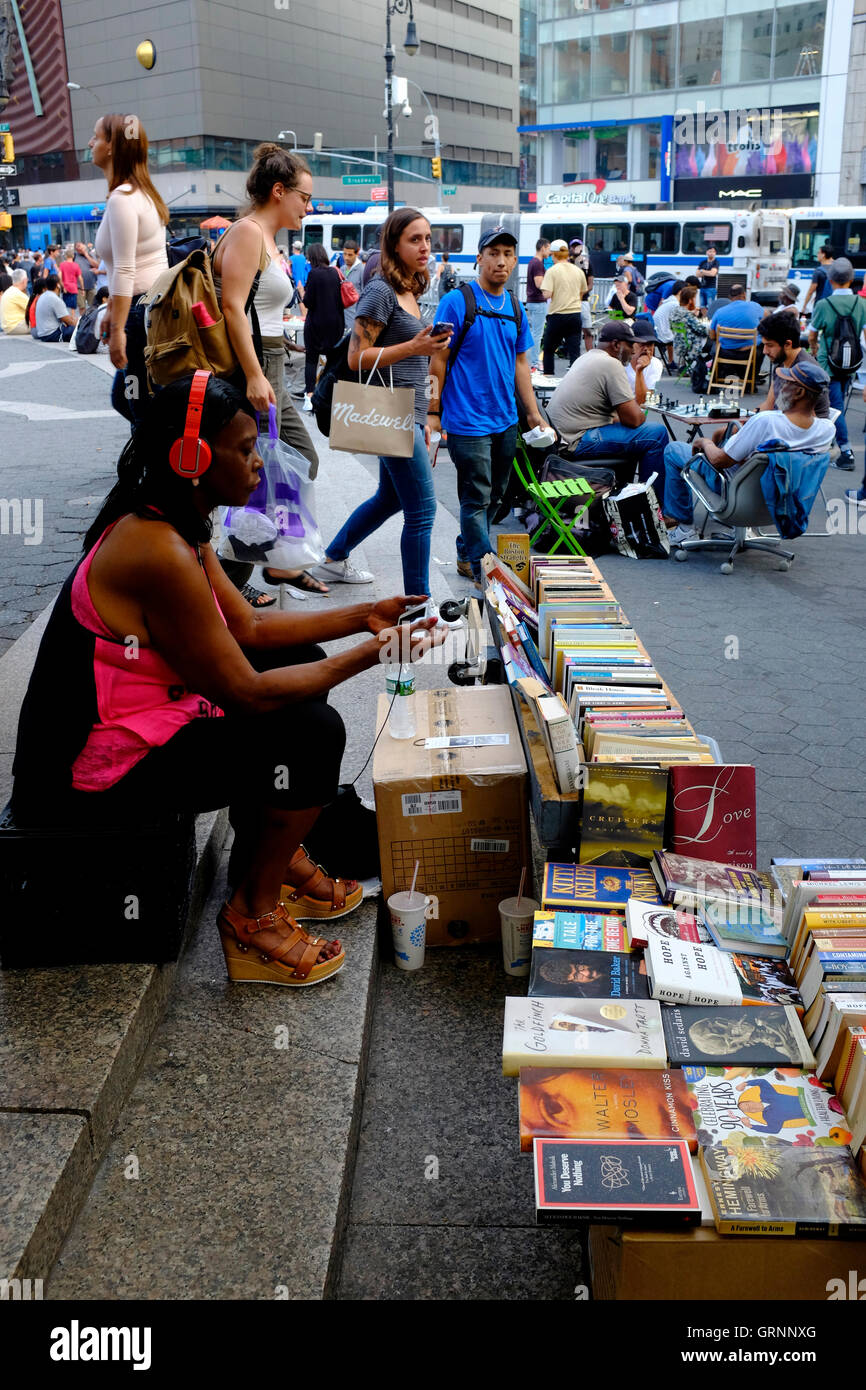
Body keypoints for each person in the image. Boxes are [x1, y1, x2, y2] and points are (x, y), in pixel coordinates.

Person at [10, 374, 447, 987]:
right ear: (190, 457)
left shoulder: (177, 518)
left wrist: (362, 617)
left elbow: (249, 629)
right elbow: (244, 692)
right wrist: (378, 652)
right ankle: (252, 913)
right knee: (312, 732)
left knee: (302, 668)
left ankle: (271, 853)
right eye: (244, 449)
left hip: (134, 733)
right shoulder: (156, 548)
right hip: (91, 777)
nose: (257, 464)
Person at [211, 142, 329, 604]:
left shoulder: (265, 238)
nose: (308, 206)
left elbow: (260, 308)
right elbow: (232, 309)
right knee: (255, 475)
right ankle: (230, 585)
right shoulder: (248, 233)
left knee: (285, 467)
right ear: (278, 191)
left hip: (271, 360)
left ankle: (266, 566)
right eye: (304, 196)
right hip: (254, 369)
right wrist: (256, 376)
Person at [320, 207, 453, 604]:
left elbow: (419, 360)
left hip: (408, 410)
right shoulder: (380, 291)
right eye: (415, 239)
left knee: (391, 498)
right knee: (423, 511)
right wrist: (415, 345)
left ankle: (334, 556)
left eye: (428, 238)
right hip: (388, 410)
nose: (425, 246)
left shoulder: (410, 289)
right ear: (394, 243)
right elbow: (357, 358)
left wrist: (430, 410)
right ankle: (418, 603)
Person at [429, 226, 543, 587]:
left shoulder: (514, 306)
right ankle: (483, 568)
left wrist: (533, 414)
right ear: (479, 258)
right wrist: (433, 413)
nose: (501, 261)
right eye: (493, 253)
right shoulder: (457, 302)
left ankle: (466, 551)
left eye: (508, 254)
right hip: (466, 422)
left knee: (498, 495)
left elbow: (521, 364)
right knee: (476, 496)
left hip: (505, 420)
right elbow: (438, 361)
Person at [662, 358, 835, 544]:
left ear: (800, 392)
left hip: (731, 488)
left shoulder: (766, 422)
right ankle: (744, 531)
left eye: (786, 382)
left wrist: (705, 443)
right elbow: (806, 424)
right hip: (777, 499)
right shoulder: (826, 430)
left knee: (673, 450)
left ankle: (685, 528)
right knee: (730, 439)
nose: (779, 386)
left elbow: (720, 461)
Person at [91, 113, 170, 427]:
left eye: (96, 137)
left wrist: (120, 331)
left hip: (139, 314)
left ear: (112, 147)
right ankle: (154, 462)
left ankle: (157, 469)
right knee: (127, 398)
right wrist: (112, 310)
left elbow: (125, 268)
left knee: (140, 407)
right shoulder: (140, 193)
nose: (91, 143)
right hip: (145, 310)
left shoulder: (123, 199)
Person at [546, 319, 668, 484]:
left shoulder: (587, 357)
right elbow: (635, 419)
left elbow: (617, 416)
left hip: (561, 436)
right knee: (656, 434)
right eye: (630, 345)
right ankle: (650, 503)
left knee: (635, 436)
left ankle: (624, 494)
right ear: (616, 345)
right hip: (575, 439)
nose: (633, 351)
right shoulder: (611, 364)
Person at [808, 256, 866, 471]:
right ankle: (831, 442)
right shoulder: (862, 304)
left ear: (830, 280)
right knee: (838, 402)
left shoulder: (824, 304)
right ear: (851, 280)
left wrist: (814, 350)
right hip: (851, 363)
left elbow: (812, 335)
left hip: (828, 363)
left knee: (834, 407)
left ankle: (846, 452)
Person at [757, 312, 830, 416]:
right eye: (764, 345)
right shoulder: (781, 362)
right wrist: (748, 417)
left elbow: (792, 417)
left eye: (770, 345)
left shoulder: (804, 372)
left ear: (787, 344)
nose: (765, 351)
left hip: (801, 428)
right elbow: (769, 404)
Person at [300, 242, 344, 414]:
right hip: (335, 323)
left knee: (311, 359)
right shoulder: (334, 272)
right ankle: (330, 394)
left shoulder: (314, 274)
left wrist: (302, 292)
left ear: (312, 257)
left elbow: (308, 302)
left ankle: (310, 395)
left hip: (316, 323)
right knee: (332, 360)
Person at [540, 238, 587, 374]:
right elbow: (582, 291)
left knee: (549, 349)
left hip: (557, 315)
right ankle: (575, 380)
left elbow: (547, 294)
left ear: (554, 254)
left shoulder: (552, 271)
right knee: (574, 350)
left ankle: (548, 377)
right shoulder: (577, 270)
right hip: (575, 315)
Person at [707, 283, 764, 381]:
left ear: (729, 297)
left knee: (718, 344)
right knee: (762, 344)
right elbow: (764, 320)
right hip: (748, 353)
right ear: (744, 295)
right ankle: (751, 379)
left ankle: (724, 375)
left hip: (725, 353)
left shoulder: (720, 311)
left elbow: (712, 336)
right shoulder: (755, 307)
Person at [669, 286, 709, 373]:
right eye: (694, 298)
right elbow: (703, 331)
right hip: (691, 347)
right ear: (690, 300)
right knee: (713, 344)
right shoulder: (687, 315)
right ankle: (706, 370)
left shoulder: (675, 311)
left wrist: (692, 315)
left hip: (678, 345)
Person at [525, 237, 549, 371]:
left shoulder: (532, 262)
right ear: (543, 247)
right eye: (549, 248)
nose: (550, 252)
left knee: (535, 332)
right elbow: (539, 283)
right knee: (537, 334)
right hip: (538, 301)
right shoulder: (538, 263)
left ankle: (533, 362)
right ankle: (535, 362)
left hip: (532, 301)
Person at [626, 319, 664, 403]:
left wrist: (639, 371)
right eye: (642, 344)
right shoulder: (621, 363)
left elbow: (643, 401)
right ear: (632, 344)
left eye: (650, 344)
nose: (646, 349)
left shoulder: (656, 364)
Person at [33, 273, 76, 341]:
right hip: (52, 334)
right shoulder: (55, 299)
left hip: (42, 333)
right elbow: (69, 321)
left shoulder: (42, 296)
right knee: (76, 330)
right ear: (58, 285)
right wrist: (78, 323)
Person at [652, 279, 685, 365]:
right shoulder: (675, 304)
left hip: (657, 331)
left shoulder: (669, 300)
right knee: (687, 336)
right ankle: (683, 365)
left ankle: (671, 361)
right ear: (681, 292)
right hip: (662, 334)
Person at [802, 243, 837, 315]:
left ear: (823, 255)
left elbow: (811, 291)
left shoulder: (818, 271)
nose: (817, 255)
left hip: (821, 304)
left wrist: (804, 305)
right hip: (834, 303)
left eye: (818, 253)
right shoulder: (836, 268)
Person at [341, 238, 364, 334]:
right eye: (344, 254)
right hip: (342, 316)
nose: (346, 257)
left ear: (357, 253)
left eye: (350, 255)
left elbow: (365, 294)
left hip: (355, 317)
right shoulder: (342, 269)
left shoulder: (362, 270)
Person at [0, 268, 31, 334]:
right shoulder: (17, 294)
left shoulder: (9, 291)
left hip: (7, 327)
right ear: (24, 281)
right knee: (42, 324)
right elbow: (33, 308)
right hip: (15, 326)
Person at [74, 241, 99, 309]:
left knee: (93, 306)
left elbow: (96, 266)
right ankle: (83, 319)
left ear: (84, 246)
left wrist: (86, 255)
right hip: (79, 286)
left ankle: (92, 319)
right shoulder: (75, 256)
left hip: (91, 285)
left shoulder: (91, 255)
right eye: (77, 246)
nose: (78, 248)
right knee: (82, 306)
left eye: (79, 245)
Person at [59, 247, 84, 312]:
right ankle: (72, 319)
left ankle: (66, 320)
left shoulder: (62, 265)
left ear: (66, 256)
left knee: (65, 306)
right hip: (74, 288)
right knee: (73, 307)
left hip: (65, 287)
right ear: (73, 256)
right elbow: (80, 278)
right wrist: (82, 289)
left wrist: (63, 286)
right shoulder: (76, 265)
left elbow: (59, 276)